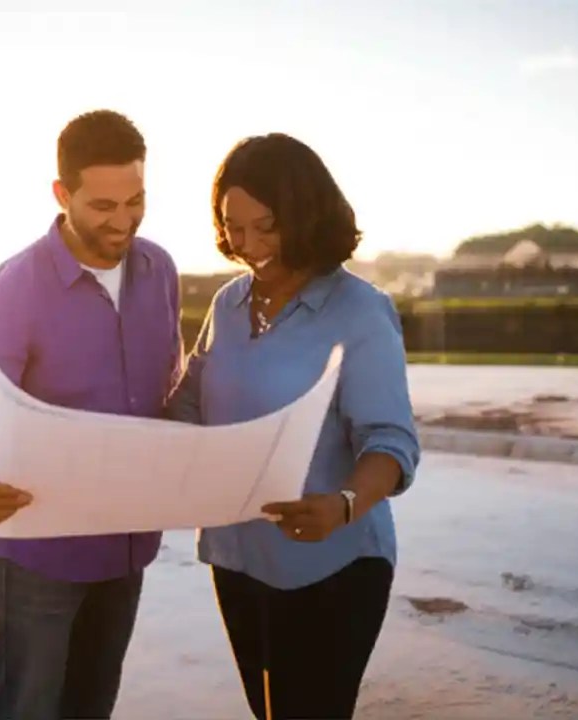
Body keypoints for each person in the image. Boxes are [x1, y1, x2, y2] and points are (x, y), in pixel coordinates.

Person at [166, 133, 420, 719]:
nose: (248, 244)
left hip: (335, 565)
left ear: (305, 216)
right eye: (234, 226)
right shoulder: (227, 307)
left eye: (267, 225)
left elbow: (392, 442)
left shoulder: (360, 311)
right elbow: (188, 407)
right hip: (239, 558)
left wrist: (343, 504)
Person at [0, 109, 183, 720]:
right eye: (103, 206)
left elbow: (170, 393)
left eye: (136, 201)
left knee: (91, 709)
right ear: (62, 194)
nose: (123, 220)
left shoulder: (161, 272)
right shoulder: (15, 286)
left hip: (127, 545)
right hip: (40, 555)